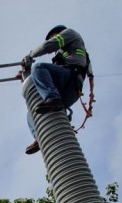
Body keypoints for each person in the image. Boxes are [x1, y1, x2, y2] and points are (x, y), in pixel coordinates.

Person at [22, 25, 93, 155]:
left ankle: (52, 98)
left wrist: (30, 55)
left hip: (70, 78)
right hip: (68, 91)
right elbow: (43, 80)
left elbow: (47, 46)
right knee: (30, 113)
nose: (52, 39)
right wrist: (24, 76)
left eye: (53, 36)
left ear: (59, 32)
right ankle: (40, 137)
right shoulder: (62, 55)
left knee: (38, 68)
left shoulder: (70, 33)